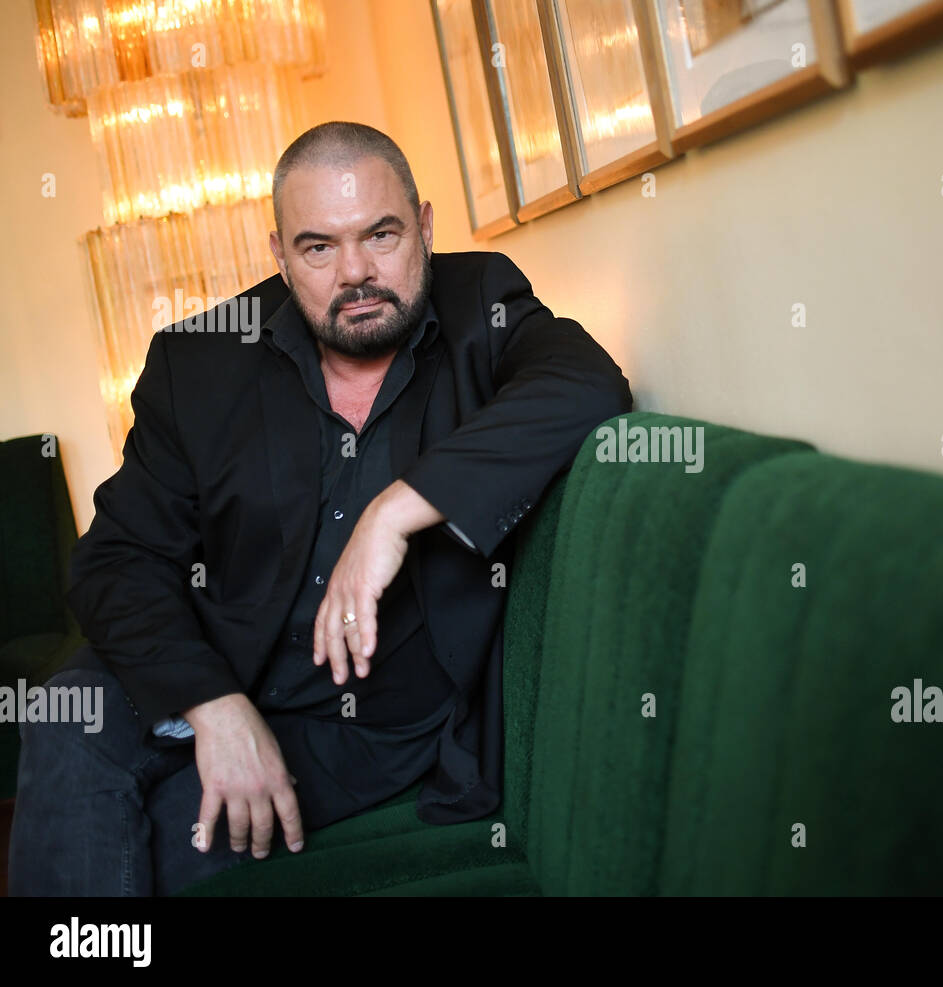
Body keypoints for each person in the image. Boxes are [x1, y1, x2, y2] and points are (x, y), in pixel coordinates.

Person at [7, 121, 633, 896]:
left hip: (353, 730)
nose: (357, 272)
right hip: (203, 666)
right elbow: (115, 559)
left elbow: (589, 386)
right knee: (67, 712)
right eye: (319, 248)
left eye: (381, 234)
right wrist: (213, 703)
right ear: (279, 255)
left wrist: (396, 512)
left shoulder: (482, 305)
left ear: (425, 226)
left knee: (155, 845)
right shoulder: (198, 361)